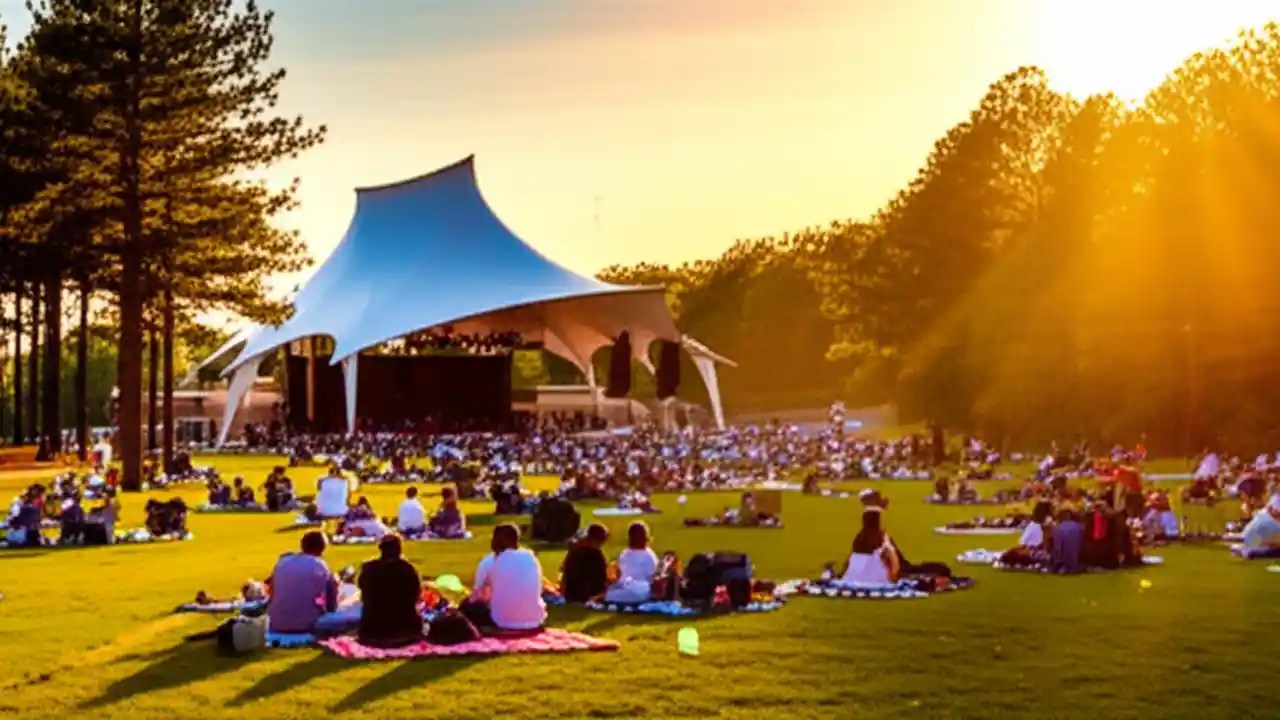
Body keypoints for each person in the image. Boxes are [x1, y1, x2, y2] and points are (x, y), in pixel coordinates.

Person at [464, 524, 547, 631]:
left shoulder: (490, 561)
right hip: (535, 620)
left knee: (470, 608)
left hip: (501, 621)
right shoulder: (531, 558)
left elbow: (476, 596)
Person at [356, 534, 424, 647]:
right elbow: (415, 597)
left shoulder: (369, 569)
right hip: (406, 631)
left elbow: (364, 594)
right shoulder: (408, 570)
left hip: (371, 632)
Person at [267, 531, 340, 634]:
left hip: (275, 623)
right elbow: (330, 605)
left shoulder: (282, 563)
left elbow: (272, 594)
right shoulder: (319, 565)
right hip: (306, 625)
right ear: (321, 548)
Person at [605, 521, 659, 603]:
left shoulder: (648, 555)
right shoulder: (625, 553)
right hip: (624, 586)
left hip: (641, 590)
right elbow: (621, 575)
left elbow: (653, 578)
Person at [839, 510, 898, 585]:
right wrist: (893, 579)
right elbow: (894, 564)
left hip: (851, 579)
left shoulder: (858, 540)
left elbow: (847, 563)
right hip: (877, 580)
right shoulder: (882, 541)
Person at [560, 523, 609, 603]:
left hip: (570, 594)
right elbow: (602, 579)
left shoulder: (574, 551)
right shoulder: (595, 555)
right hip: (589, 594)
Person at [1001, 501, 1053, 567]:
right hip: (1037, 551)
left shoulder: (1035, 525)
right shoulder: (1044, 525)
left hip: (1038, 551)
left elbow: (1023, 543)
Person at [1051, 509, 1084, 573]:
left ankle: (1061, 567)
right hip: (1075, 558)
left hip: (1063, 558)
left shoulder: (1059, 528)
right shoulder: (1078, 526)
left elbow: (1057, 547)